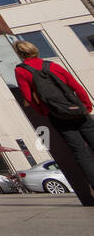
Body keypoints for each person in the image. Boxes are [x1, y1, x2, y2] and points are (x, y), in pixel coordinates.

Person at [15, 40, 94, 187]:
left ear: (19, 54)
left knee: (81, 153)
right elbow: (76, 86)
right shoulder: (52, 65)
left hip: (57, 115)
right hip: (78, 111)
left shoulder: (21, 70)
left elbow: (28, 97)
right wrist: (86, 106)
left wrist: (44, 111)